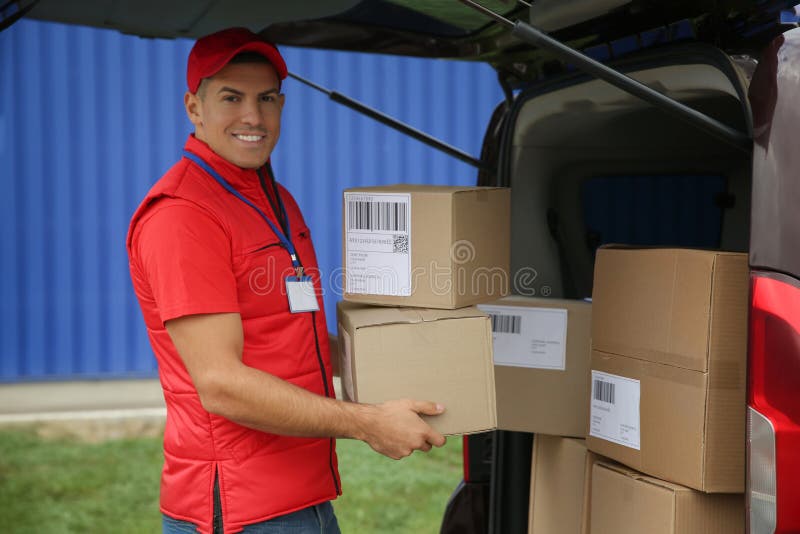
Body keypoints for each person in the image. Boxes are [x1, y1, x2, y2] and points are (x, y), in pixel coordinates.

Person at [126, 27, 447, 534]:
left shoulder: (270, 197)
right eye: (231, 97)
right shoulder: (184, 215)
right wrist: (367, 422)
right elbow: (222, 386)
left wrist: (403, 358)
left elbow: (287, 331)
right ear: (194, 108)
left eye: (267, 99)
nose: (253, 116)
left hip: (299, 495)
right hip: (241, 510)